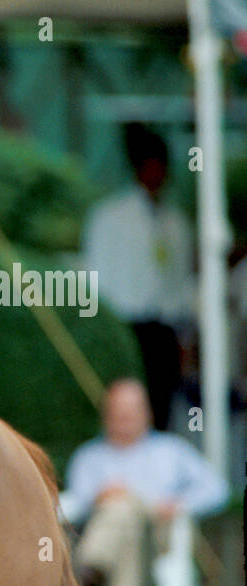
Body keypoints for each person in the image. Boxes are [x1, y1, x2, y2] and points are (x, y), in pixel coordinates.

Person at [59, 379, 228, 586]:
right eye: (118, 411)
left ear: (147, 413)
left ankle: (88, 568)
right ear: (106, 415)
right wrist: (99, 497)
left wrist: (179, 504)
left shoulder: (171, 450)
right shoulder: (88, 457)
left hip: (160, 534)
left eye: (131, 411)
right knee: (125, 520)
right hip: (116, 534)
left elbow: (216, 489)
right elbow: (73, 505)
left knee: (124, 507)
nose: (125, 418)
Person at [81, 124, 195, 430]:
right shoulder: (109, 216)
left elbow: (181, 281)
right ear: (139, 168)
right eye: (151, 166)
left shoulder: (176, 222)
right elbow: (95, 278)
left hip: (164, 329)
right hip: (126, 326)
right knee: (126, 404)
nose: (158, 174)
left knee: (162, 407)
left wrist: (184, 335)